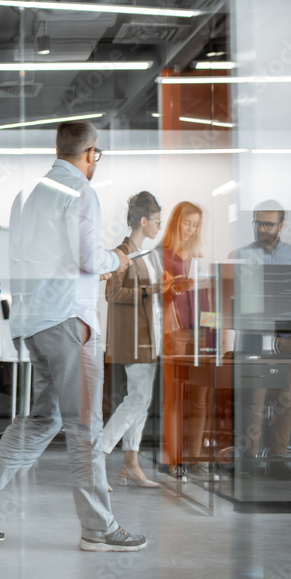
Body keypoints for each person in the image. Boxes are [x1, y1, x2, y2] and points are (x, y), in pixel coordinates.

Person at [0, 120, 147, 552]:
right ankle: (98, 529)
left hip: (34, 323)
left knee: (46, 418)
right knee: (85, 428)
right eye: (97, 155)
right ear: (90, 153)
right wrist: (116, 258)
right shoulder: (82, 191)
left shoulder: (31, 194)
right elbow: (86, 257)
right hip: (67, 321)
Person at [230, 200, 291, 479]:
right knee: (253, 400)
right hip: (254, 336)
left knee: (285, 399)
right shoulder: (240, 255)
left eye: (268, 224)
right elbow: (232, 300)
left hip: (288, 338)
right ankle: (249, 458)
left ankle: (279, 457)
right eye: (258, 223)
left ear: (281, 226)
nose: (262, 229)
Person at [101, 192, 163, 489]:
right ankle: (98, 453)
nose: (159, 227)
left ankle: (131, 463)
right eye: (156, 222)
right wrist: (147, 293)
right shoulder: (121, 253)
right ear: (143, 221)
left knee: (143, 400)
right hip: (134, 338)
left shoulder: (151, 256)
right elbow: (111, 294)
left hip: (151, 337)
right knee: (137, 399)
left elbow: (156, 293)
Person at [161, 201, 214, 480]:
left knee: (200, 399)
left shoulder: (199, 259)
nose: (191, 230)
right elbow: (155, 299)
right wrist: (176, 289)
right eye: (187, 223)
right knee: (175, 398)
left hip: (201, 333)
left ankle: (194, 458)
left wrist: (213, 334)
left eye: (195, 225)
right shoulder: (163, 256)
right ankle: (175, 460)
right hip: (175, 332)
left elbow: (208, 301)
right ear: (176, 223)